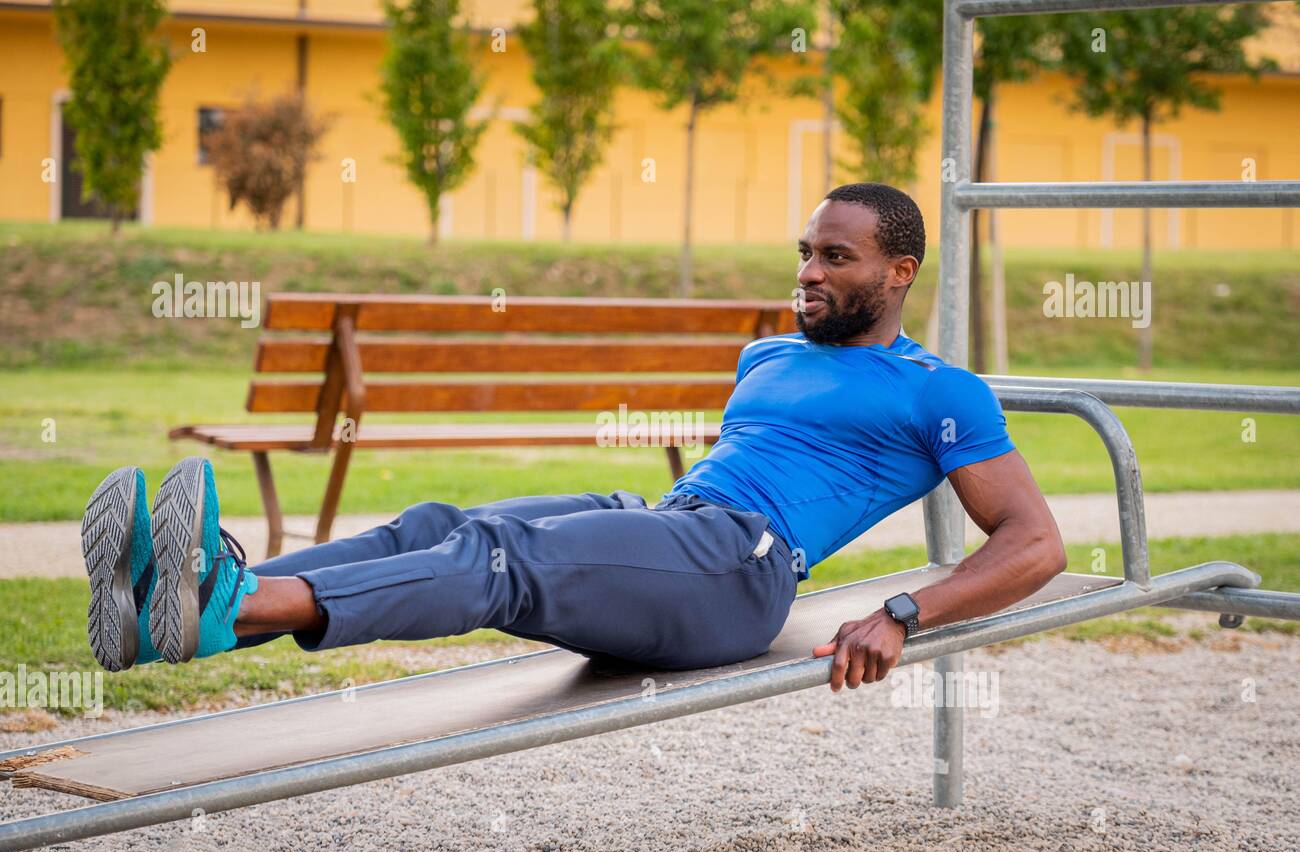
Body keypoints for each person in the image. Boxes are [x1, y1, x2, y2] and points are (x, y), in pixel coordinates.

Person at [81, 183, 1066, 693]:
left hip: (742, 570)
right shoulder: (765, 354)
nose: (807, 271)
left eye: (834, 257)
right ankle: (171, 615)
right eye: (803, 251)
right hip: (678, 525)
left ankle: (226, 597)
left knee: (500, 559)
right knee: (432, 521)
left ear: (897, 273)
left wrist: (900, 609)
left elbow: (1034, 544)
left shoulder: (942, 391)